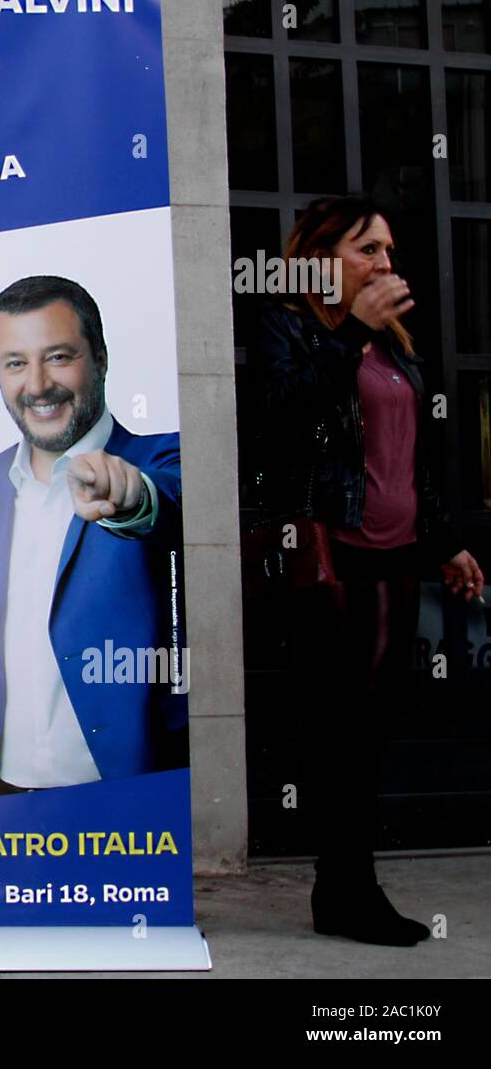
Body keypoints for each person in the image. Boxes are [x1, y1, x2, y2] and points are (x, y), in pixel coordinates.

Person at [248, 194, 484, 947]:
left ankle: (349, 887)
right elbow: (287, 416)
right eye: (366, 250)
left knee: (371, 728)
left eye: (388, 250)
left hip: (396, 553)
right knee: (338, 729)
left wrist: (444, 540)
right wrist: (351, 330)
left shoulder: (395, 344)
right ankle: (345, 891)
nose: (385, 264)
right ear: (321, 260)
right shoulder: (287, 327)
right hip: (333, 553)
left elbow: (407, 459)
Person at [0, 276, 188, 805]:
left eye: (59, 356)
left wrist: (129, 498)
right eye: (15, 363)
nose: (38, 384)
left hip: (124, 805)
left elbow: (164, 504)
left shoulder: (164, 460)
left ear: (101, 359)